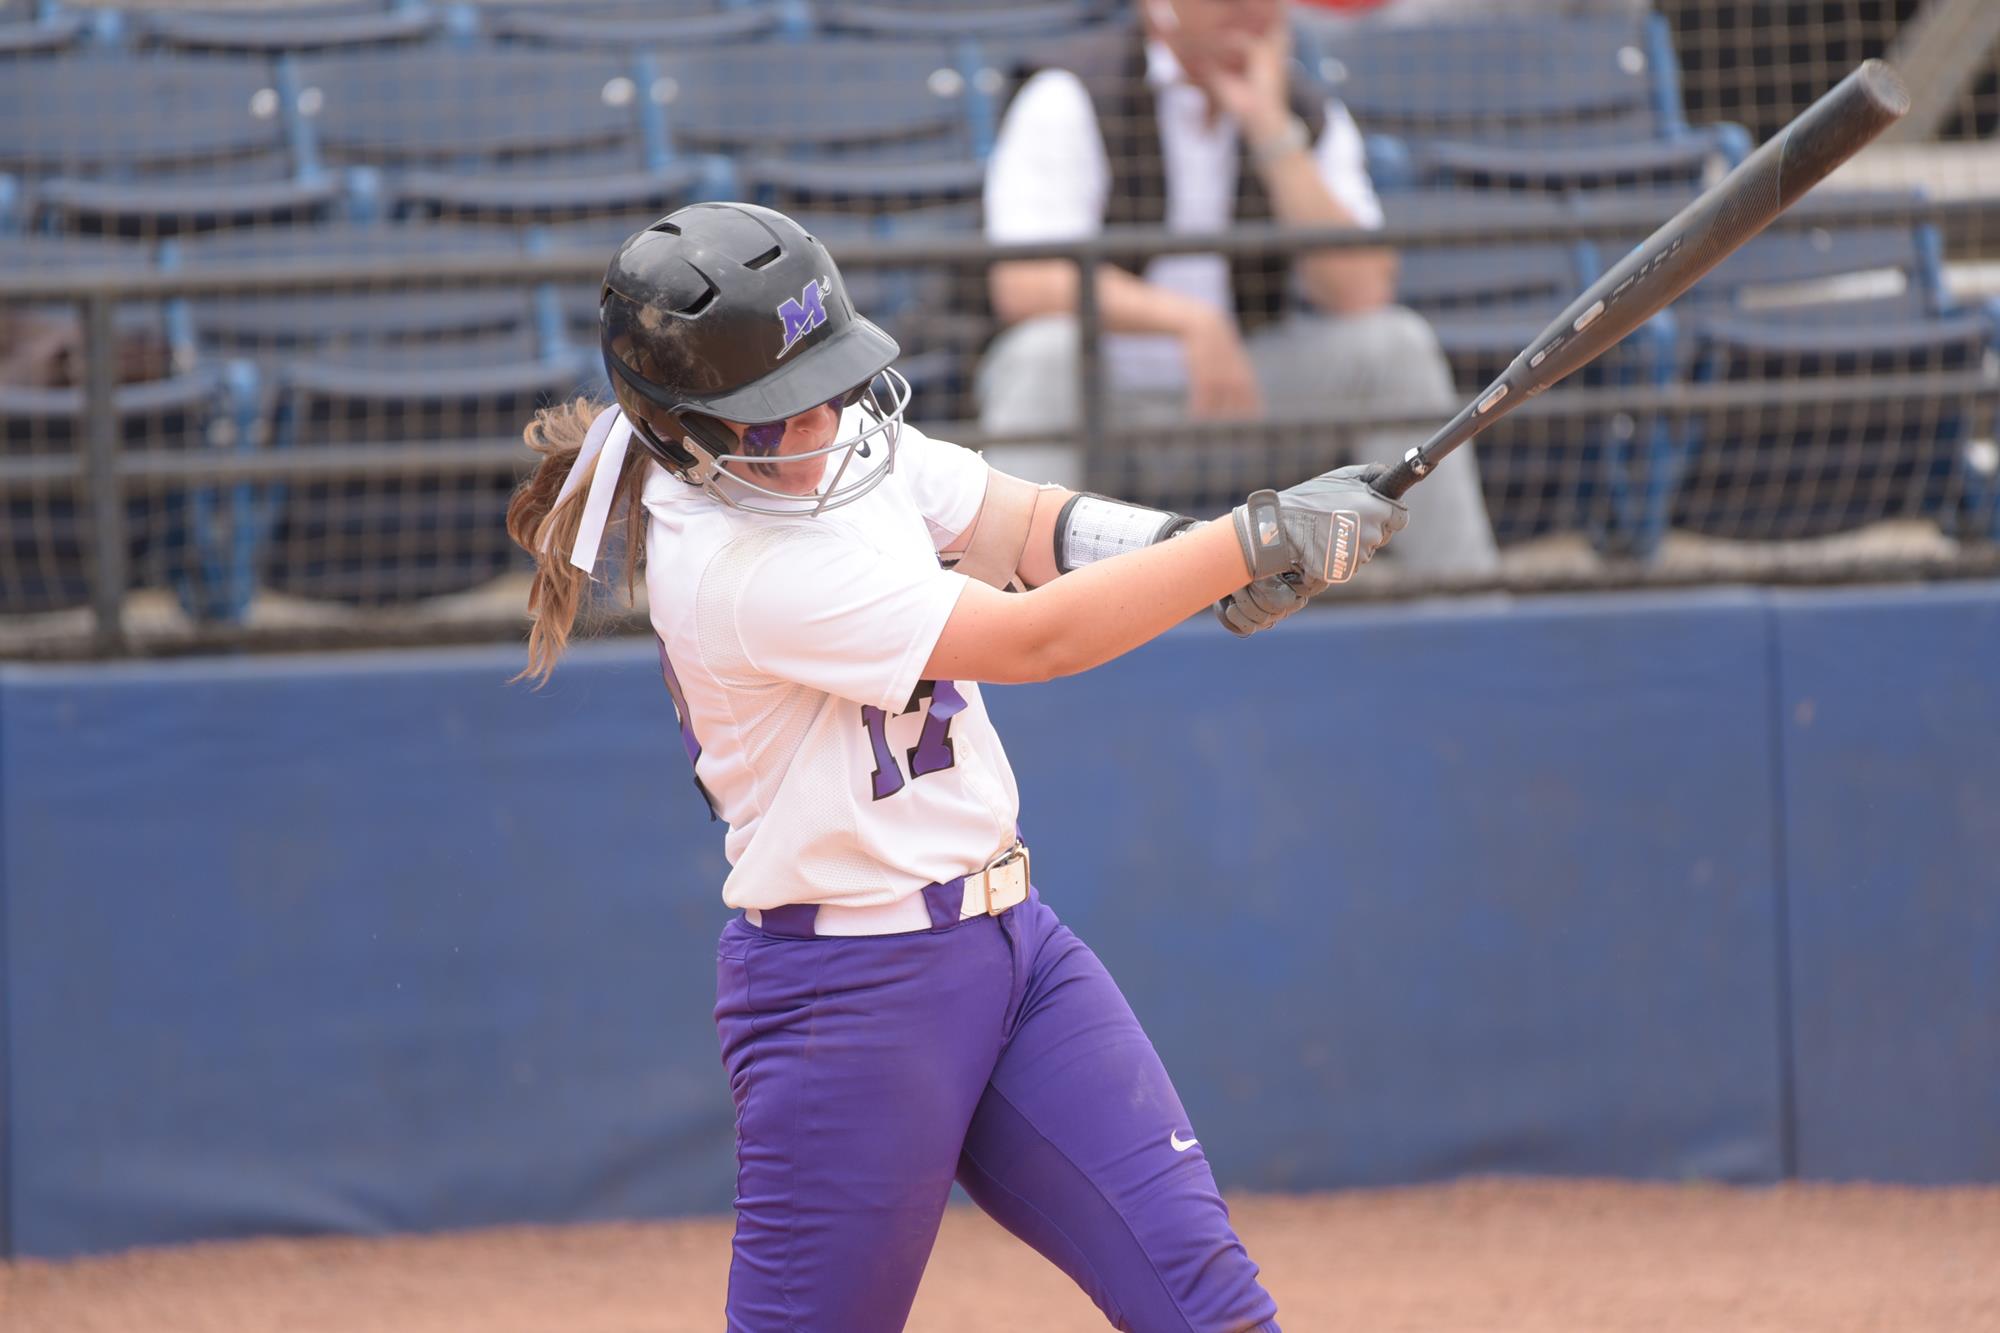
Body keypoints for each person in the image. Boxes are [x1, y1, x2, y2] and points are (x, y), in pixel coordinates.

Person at [507, 201, 1408, 1332]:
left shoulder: (843, 453)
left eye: (826, 385)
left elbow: (1026, 525)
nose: (820, 423)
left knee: (1207, 1306)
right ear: (680, 431)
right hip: (848, 1000)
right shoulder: (734, 565)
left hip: (1017, 952)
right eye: (777, 413)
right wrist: (1242, 543)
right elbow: (1039, 638)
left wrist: (1198, 547)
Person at [978, 0, 1499, 576]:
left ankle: (1467, 605)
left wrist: (1270, 129)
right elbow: (1026, 280)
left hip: (1248, 402)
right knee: (1040, 353)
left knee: (1396, 345)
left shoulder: (1299, 104)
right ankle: (1014, 619)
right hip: (1105, 416)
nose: (1250, 8)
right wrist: (1189, 322)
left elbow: (1362, 290)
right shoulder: (1072, 88)